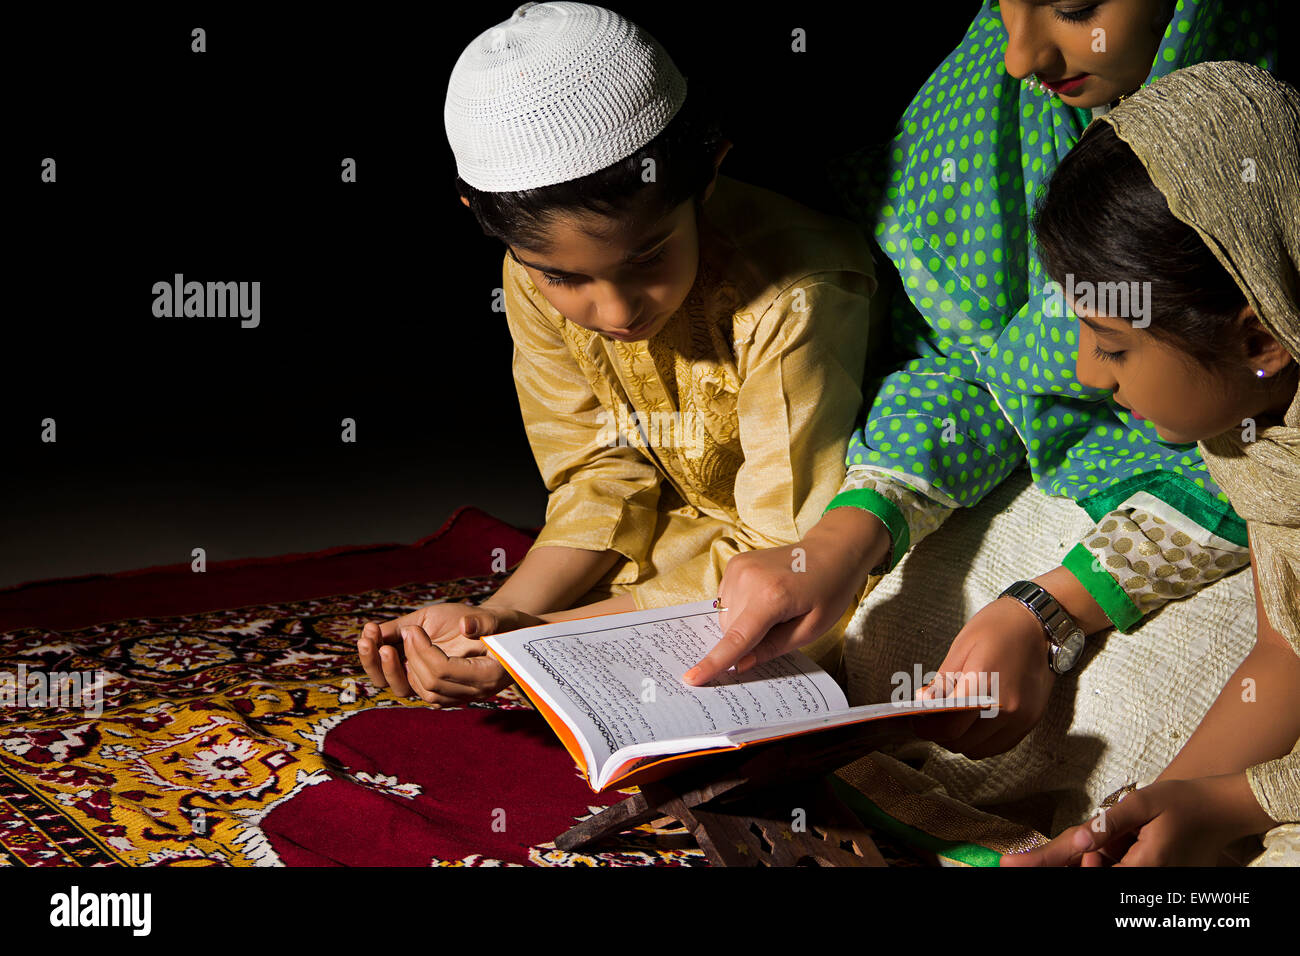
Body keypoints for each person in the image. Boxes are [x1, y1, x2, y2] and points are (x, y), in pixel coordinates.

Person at [683, 0, 1279, 765]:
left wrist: (1052, 607)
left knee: (1138, 720)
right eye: (1005, 6)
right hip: (1066, 460)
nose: (1020, 59)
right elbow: (980, 357)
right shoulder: (1001, 99)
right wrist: (849, 533)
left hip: (1237, 498)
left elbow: (1271, 462)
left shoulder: (1263, 163)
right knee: (881, 640)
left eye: (1070, 9)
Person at [354, 2, 877, 704]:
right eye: (565, 277)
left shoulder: (798, 292)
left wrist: (537, 642)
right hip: (703, 539)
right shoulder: (527, 276)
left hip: (821, 550)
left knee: (824, 641)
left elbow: (785, 548)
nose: (618, 311)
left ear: (709, 173)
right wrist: (506, 616)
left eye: (649, 257)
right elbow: (601, 470)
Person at [1000, 60, 1300, 866]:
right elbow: (1289, 650)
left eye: (1112, 346)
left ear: (1258, 339)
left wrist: (1236, 804)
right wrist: (1130, 823)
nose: (1088, 375)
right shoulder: (1265, 439)